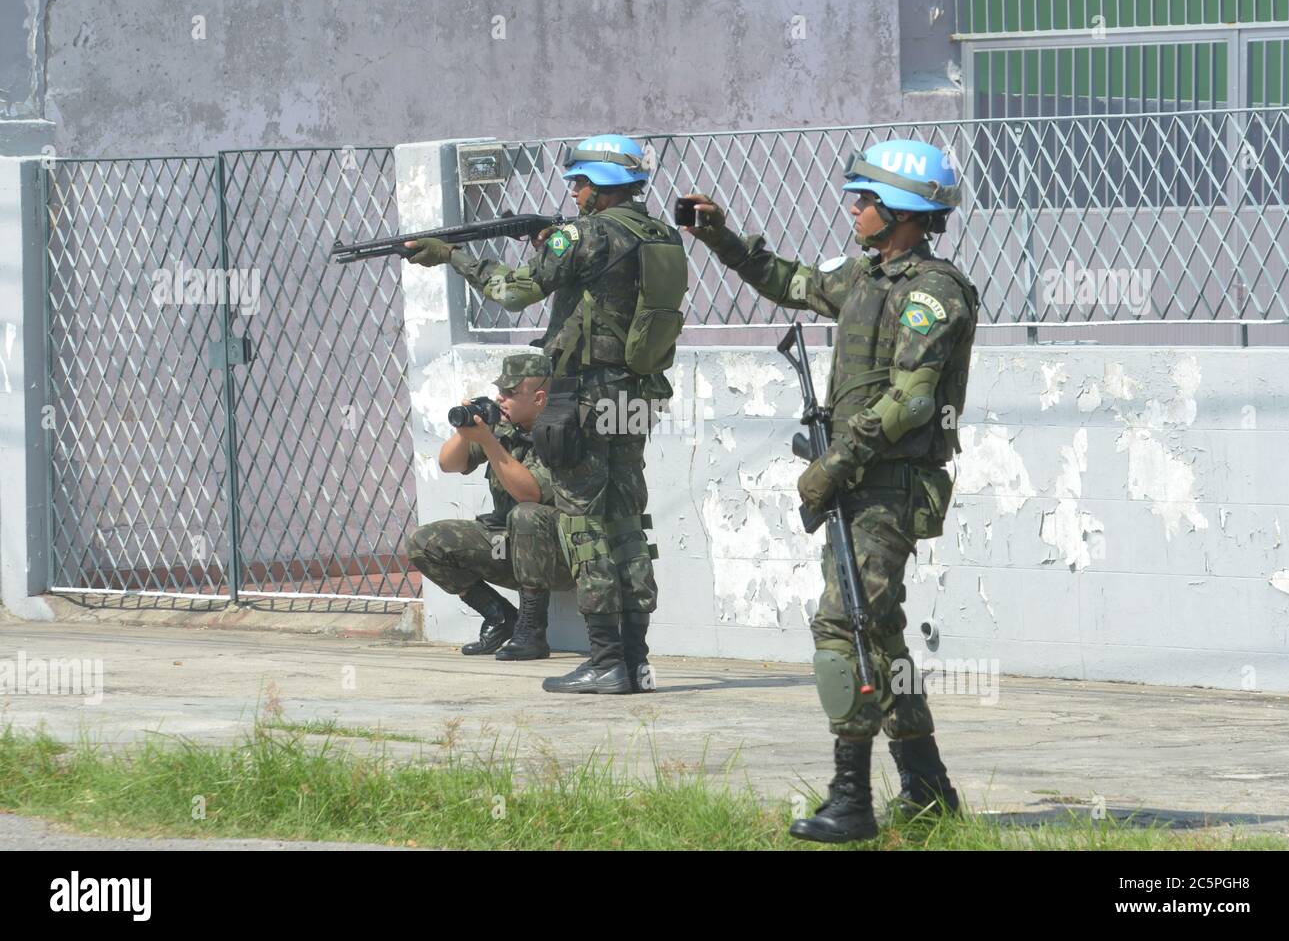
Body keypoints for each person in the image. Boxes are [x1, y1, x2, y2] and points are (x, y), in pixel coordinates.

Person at [683, 138, 973, 842]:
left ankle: (852, 801)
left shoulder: (932, 294)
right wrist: (718, 232)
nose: (855, 207)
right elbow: (787, 280)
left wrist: (833, 464)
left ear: (903, 210)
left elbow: (909, 401)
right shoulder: (867, 278)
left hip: (888, 488)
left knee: (841, 631)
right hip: (858, 484)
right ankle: (929, 789)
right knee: (881, 632)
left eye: (866, 199)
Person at [406, 135, 686, 695]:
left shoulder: (583, 234)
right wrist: (551, 244)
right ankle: (636, 660)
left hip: (581, 398)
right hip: (633, 396)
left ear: (599, 186)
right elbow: (607, 293)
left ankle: (606, 660)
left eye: (580, 183)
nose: (575, 192)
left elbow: (513, 292)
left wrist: (454, 256)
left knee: (586, 528)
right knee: (626, 524)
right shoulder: (661, 234)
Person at [406, 353, 572, 661]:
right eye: (500, 391)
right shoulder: (502, 429)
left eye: (510, 393)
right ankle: (499, 617)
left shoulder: (562, 432)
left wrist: (489, 444)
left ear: (539, 398)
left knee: (526, 514)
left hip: (562, 559)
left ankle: (532, 630)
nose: (501, 398)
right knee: (424, 542)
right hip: (508, 548)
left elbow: (529, 494)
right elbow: (448, 463)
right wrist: (467, 430)